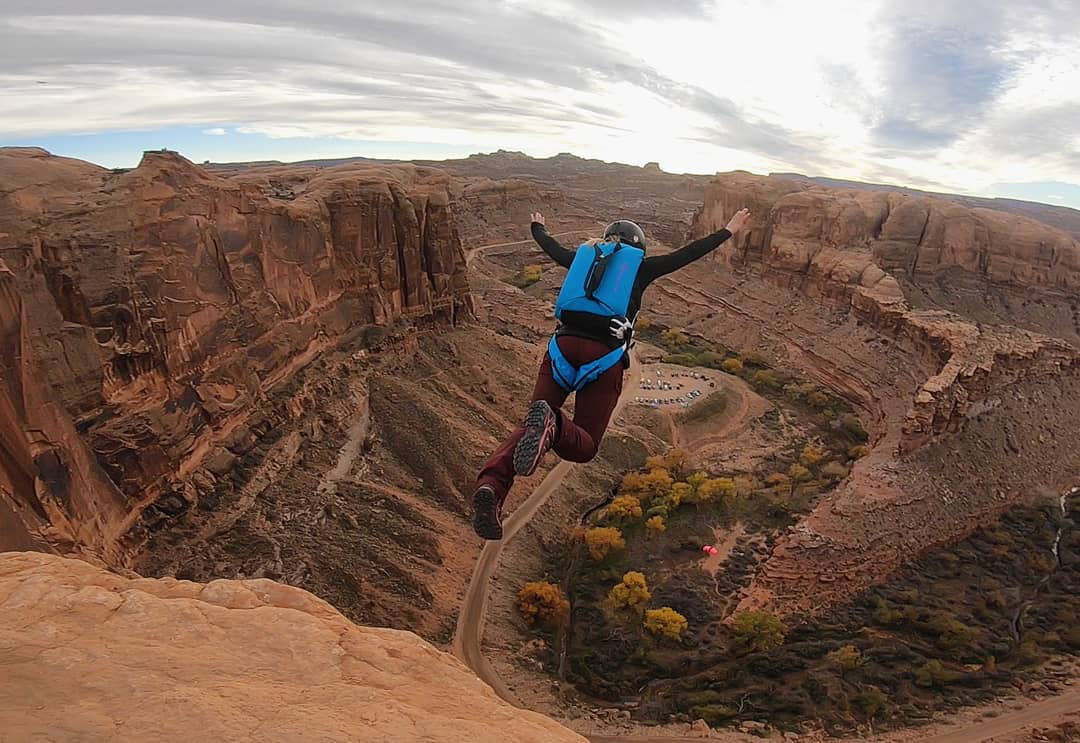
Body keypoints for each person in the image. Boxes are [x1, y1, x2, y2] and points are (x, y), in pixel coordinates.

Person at [471, 208, 752, 539]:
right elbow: (688, 253)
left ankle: (491, 486)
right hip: (602, 359)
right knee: (585, 446)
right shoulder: (642, 268)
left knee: (528, 426)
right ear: (638, 248)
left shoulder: (582, 259)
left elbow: (550, 248)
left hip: (561, 348)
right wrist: (729, 231)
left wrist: (537, 226)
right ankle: (556, 423)